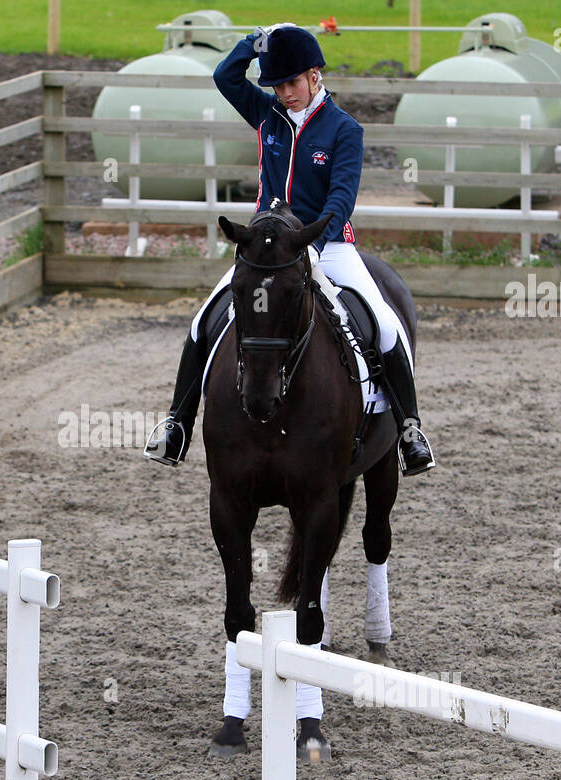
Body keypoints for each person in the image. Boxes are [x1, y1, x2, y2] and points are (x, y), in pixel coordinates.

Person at [144, 24, 435, 476]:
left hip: (329, 245)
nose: (285, 93)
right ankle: (177, 424)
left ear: (315, 74)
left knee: (383, 323)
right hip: (265, 246)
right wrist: (254, 43)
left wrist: (315, 246)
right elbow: (225, 77)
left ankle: (410, 429)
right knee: (205, 319)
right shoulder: (266, 114)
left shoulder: (345, 130)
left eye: (292, 82)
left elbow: (341, 199)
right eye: (277, 85)